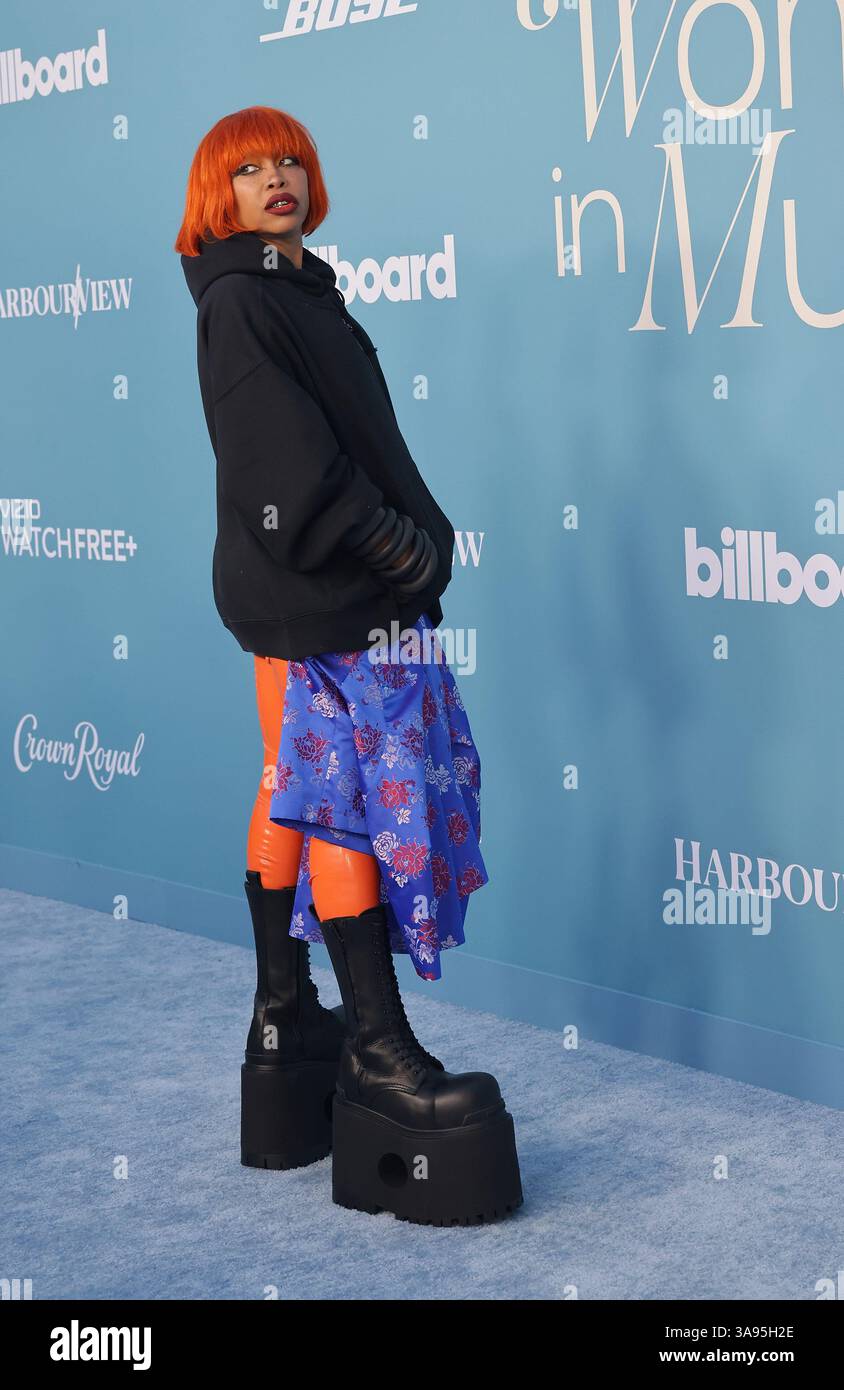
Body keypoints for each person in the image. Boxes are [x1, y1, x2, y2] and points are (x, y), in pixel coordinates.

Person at [176, 105, 522, 1224]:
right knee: (344, 807)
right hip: (321, 592)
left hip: (299, 590)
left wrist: (405, 532)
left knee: (291, 780)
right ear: (214, 192)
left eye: (291, 163)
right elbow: (290, 459)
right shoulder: (244, 298)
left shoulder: (282, 286)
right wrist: (387, 541)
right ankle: (374, 1051)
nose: (276, 178)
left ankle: (284, 1022)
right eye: (251, 168)